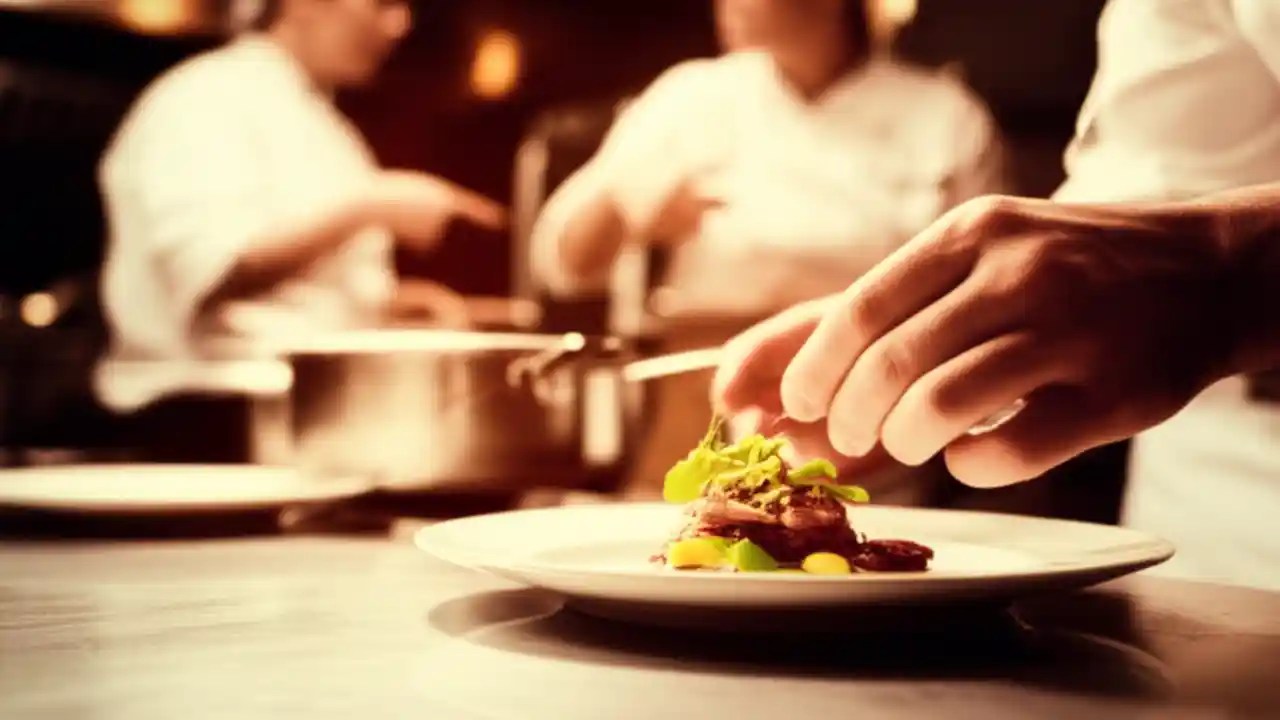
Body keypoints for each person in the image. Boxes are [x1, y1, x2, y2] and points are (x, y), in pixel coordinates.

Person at [715, 1, 1280, 590]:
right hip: (1201, 550)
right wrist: (936, 339)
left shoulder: (940, 113)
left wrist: (1227, 266)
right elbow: (1158, 184)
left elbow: (1178, 256)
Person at [531, 0, 1003, 497]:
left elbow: (981, 294)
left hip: (870, 443)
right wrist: (628, 211)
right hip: (696, 416)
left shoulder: (946, 116)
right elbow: (559, 261)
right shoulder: (691, 98)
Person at [94, 0, 504, 460]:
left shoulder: (326, 125)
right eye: (382, 4)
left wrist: (397, 305)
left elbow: (304, 301)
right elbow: (213, 268)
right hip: (205, 424)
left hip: (310, 417)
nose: (400, 24)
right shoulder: (206, 98)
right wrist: (374, 205)